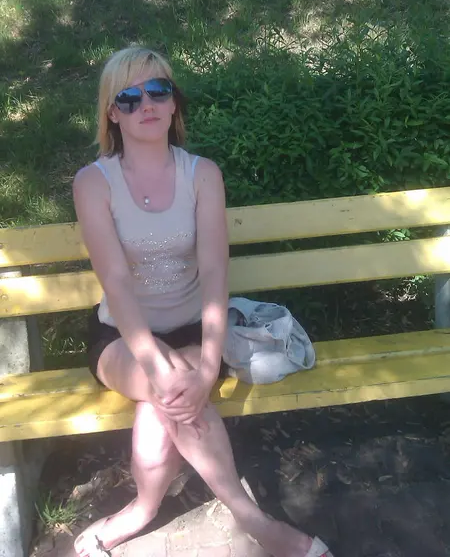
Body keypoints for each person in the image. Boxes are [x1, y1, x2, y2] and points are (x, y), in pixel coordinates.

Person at [72, 45, 334, 557]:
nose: (146, 104)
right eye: (129, 97)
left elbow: (214, 271)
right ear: (112, 113)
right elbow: (117, 283)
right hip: (122, 336)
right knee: (169, 386)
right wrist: (157, 364)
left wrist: (210, 362)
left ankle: (141, 509)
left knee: (162, 410)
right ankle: (256, 523)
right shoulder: (93, 183)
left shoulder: (202, 174)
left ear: (174, 102)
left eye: (158, 90)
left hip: (195, 328)